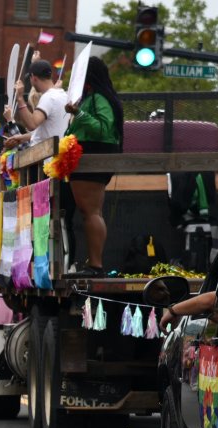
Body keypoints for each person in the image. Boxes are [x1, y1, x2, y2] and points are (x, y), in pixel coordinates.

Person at [64, 56, 123, 277]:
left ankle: (96, 265)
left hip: (93, 156)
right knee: (89, 211)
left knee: (91, 212)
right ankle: (94, 263)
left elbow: (103, 128)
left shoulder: (100, 98)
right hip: (86, 156)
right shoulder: (90, 97)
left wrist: (78, 113)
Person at [5, 59, 70, 148]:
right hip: (55, 154)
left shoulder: (48, 97)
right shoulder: (63, 95)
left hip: (47, 158)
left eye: (30, 78)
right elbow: (45, 131)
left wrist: (20, 98)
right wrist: (21, 138)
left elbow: (32, 124)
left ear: (34, 78)